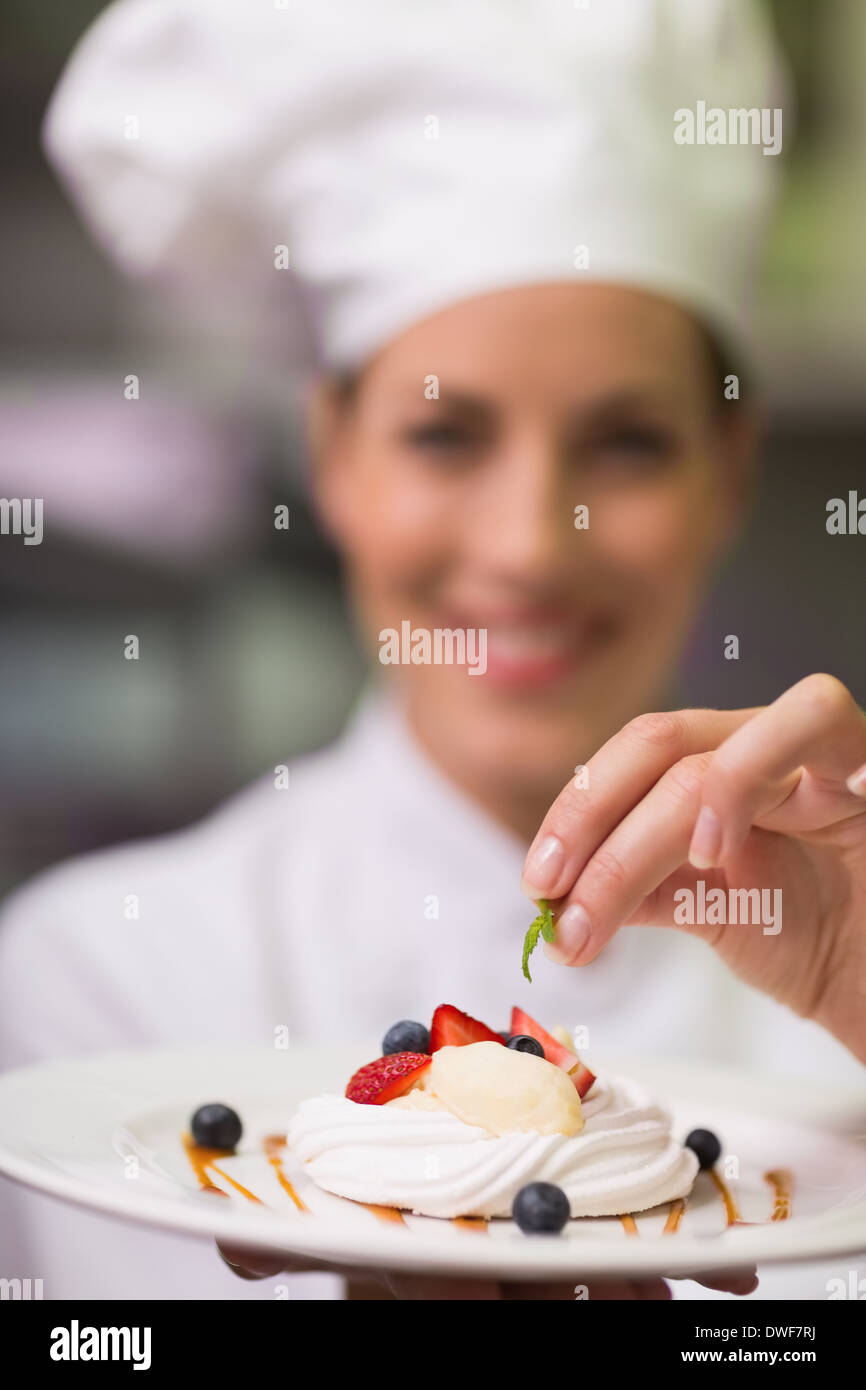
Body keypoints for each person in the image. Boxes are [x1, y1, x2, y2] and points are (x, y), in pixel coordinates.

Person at [0, 0, 863, 1301]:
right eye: (445, 435)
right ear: (333, 454)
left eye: (624, 441)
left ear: (725, 470)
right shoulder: (96, 984)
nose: (527, 546)